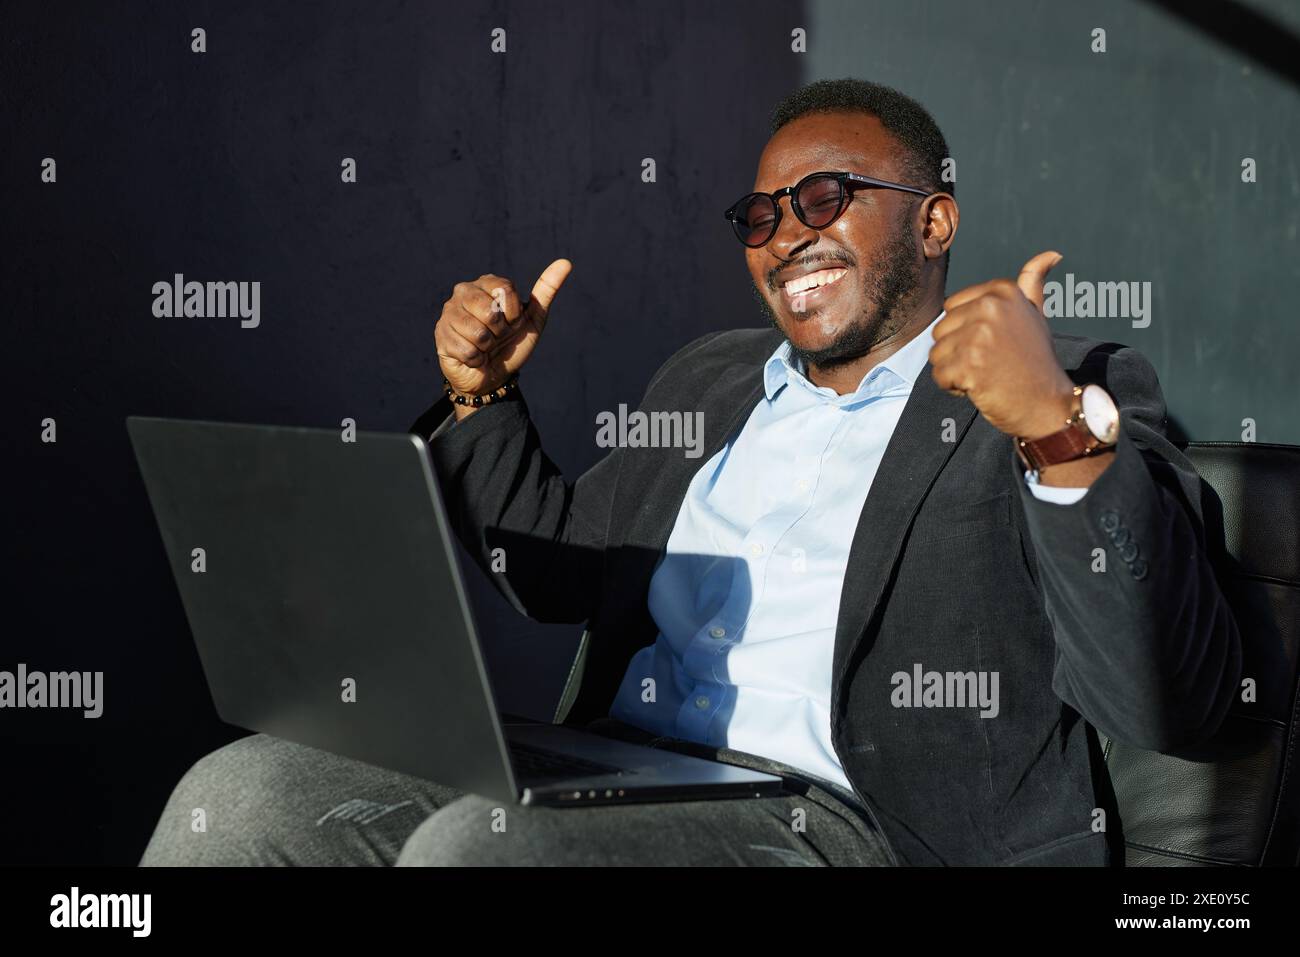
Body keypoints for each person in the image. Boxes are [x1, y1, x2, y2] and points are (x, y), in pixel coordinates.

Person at [141, 78, 1239, 867]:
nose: (785, 236)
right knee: (242, 795)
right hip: (619, 770)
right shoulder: (710, 380)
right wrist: (480, 400)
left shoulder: (1060, 381)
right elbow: (560, 575)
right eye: (761, 216)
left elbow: (1169, 696)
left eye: (825, 199)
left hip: (858, 824)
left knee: (488, 851)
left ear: (934, 220)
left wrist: (1050, 423)